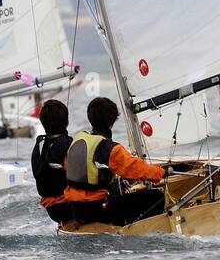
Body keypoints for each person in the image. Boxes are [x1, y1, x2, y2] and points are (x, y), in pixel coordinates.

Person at [64, 97, 166, 227]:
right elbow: (134, 167)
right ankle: (134, 228)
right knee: (156, 197)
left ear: (90, 118)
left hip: (76, 210)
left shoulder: (78, 140)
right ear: (112, 121)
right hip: (97, 210)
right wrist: (161, 172)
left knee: (118, 193)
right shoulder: (109, 148)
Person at [31, 99, 73, 223]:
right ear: (66, 122)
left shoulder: (38, 145)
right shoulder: (68, 144)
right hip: (71, 207)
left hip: (52, 210)